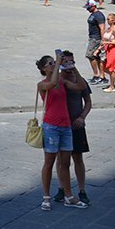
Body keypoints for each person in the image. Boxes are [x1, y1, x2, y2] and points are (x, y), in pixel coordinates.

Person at [35, 52, 87, 210]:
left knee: (65, 163)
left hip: (65, 127)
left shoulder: (63, 82)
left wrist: (73, 67)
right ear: (44, 69)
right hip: (51, 126)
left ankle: (69, 196)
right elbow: (51, 85)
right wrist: (58, 63)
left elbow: (80, 86)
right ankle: (46, 197)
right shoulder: (42, 84)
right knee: (49, 162)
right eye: (50, 64)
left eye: (53, 63)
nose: (53, 65)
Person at [51, 51, 92, 205]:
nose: (69, 65)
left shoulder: (79, 80)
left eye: (71, 62)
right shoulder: (58, 80)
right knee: (61, 159)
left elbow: (87, 102)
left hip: (76, 125)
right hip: (61, 125)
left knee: (78, 158)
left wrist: (82, 117)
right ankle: (62, 188)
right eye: (65, 62)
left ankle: (82, 190)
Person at [82, 0, 105, 84]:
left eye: (88, 7)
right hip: (92, 37)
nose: (87, 9)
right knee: (96, 57)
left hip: (96, 38)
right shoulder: (93, 14)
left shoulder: (99, 16)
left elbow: (102, 28)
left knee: (90, 56)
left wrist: (103, 40)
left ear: (93, 6)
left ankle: (96, 75)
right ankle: (101, 76)